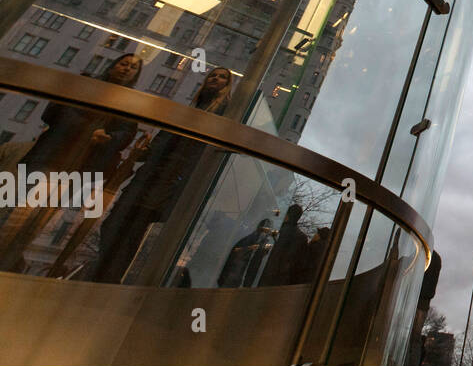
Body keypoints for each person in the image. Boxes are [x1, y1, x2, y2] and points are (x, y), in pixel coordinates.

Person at [86, 66, 232, 283]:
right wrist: (147, 151)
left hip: (167, 183)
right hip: (150, 176)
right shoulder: (191, 109)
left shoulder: (219, 116)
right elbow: (162, 145)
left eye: (222, 77)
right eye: (213, 75)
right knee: (114, 224)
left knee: (132, 231)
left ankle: (108, 279)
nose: (216, 78)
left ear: (227, 87)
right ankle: (102, 275)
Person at [0, 53, 143, 274]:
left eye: (133, 67)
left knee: (38, 220)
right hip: (50, 159)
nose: (127, 69)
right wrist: (90, 132)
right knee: (14, 212)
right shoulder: (84, 83)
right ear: (113, 65)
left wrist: (109, 139)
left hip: (81, 168)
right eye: (123, 64)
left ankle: (7, 264)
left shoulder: (131, 102)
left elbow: (126, 133)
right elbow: (53, 113)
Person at [260, 203, 312, 285]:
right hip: (282, 282)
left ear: (287, 216)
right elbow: (298, 265)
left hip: (264, 276)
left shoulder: (276, 231)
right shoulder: (301, 238)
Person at [218, 218, 276, 287]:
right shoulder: (248, 241)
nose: (263, 233)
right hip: (232, 282)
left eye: (267, 231)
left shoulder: (263, 245)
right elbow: (238, 258)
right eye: (263, 230)